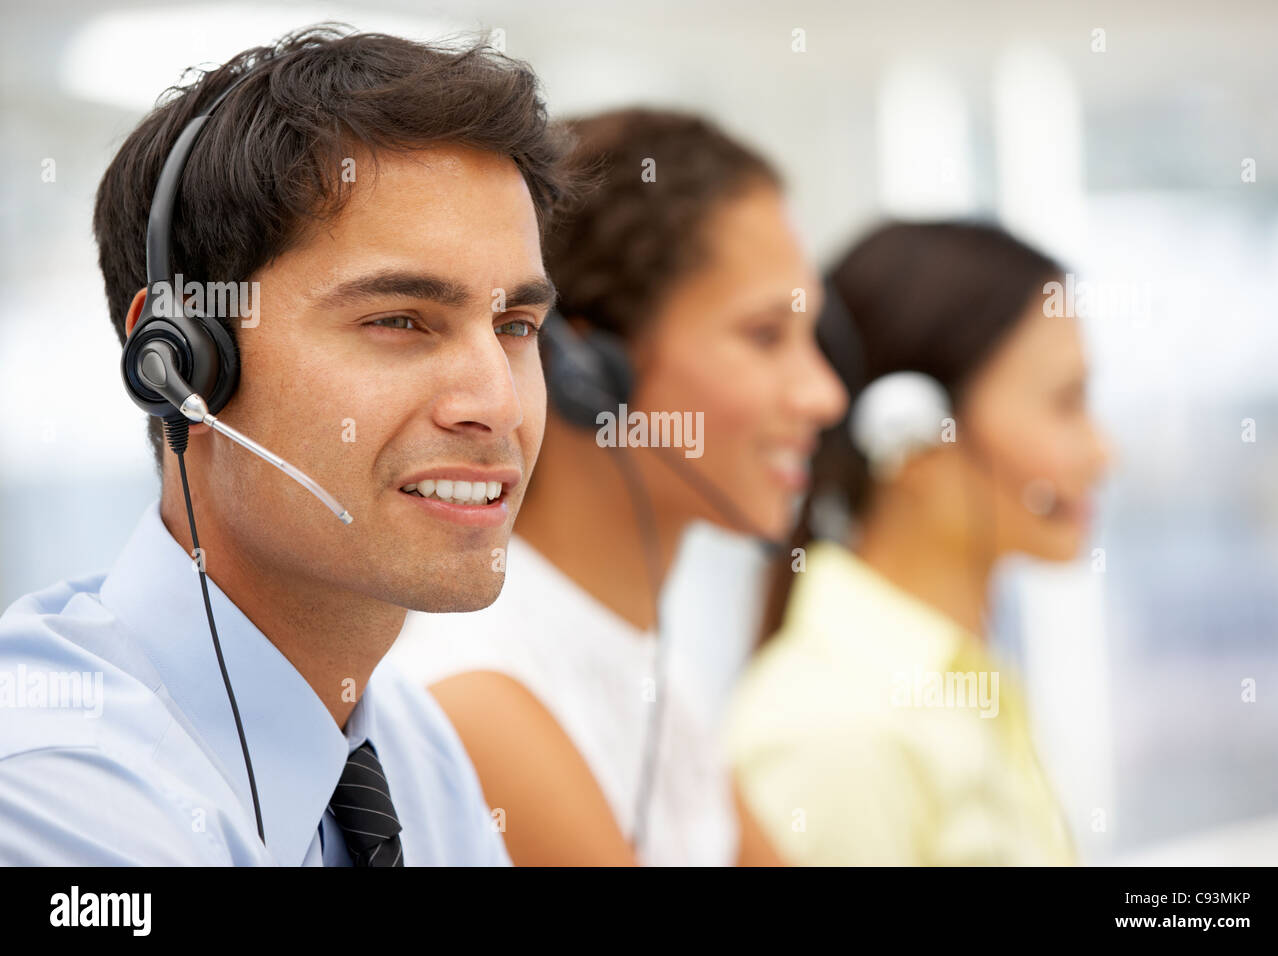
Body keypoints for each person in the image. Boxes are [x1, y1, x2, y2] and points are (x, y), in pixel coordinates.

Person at [0, 26, 573, 865]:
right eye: (399, 321)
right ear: (178, 361)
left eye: (515, 326)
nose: (497, 404)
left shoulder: (414, 755)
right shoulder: (53, 796)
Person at [387, 108, 847, 865]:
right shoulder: (483, 695)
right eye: (766, 337)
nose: (824, 396)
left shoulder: (651, 674)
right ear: (587, 374)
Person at [727, 221, 1112, 866]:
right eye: (1065, 403)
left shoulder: (958, 681)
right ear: (912, 433)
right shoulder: (834, 730)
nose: (1104, 453)